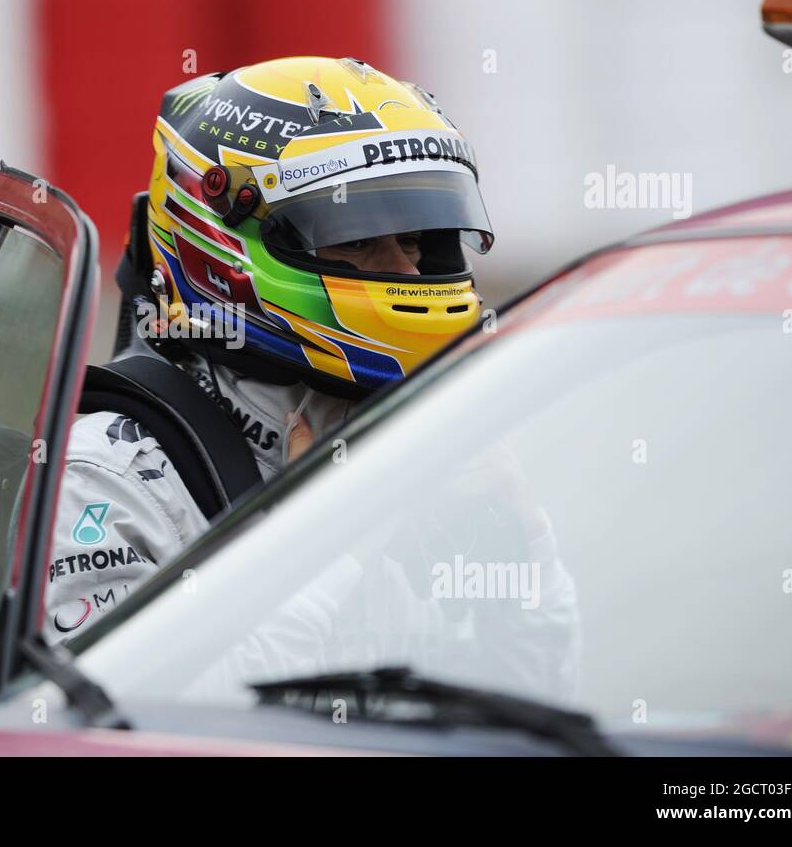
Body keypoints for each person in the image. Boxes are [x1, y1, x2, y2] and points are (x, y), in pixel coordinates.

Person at [45, 56, 503, 640]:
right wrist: (328, 549)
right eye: (356, 239)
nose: (405, 272)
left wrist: (523, 545)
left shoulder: (417, 445)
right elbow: (115, 720)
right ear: (221, 238)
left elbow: (538, 699)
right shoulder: (109, 482)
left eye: (413, 240)